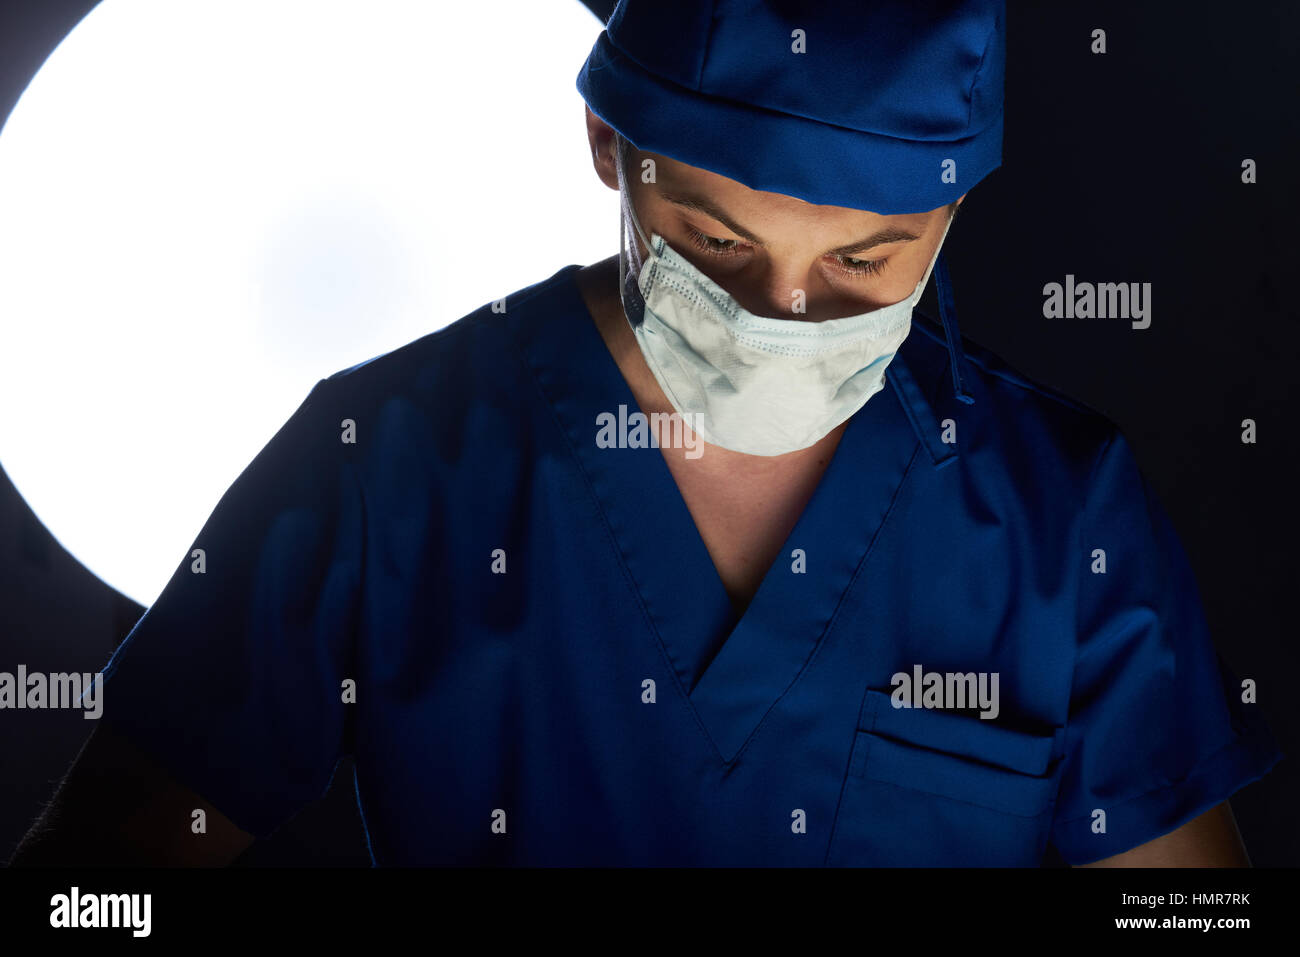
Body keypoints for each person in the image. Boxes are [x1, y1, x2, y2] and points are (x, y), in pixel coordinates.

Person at [11, 0, 1282, 867]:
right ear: (609, 146)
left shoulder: (1055, 518)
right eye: (720, 243)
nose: (784, 317)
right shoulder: (385, 471)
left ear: (952, 211)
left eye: (863, 262)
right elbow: (103, 879)